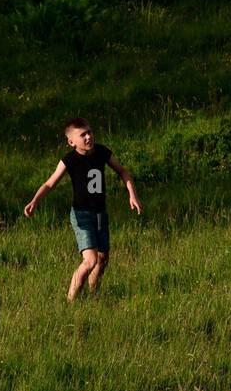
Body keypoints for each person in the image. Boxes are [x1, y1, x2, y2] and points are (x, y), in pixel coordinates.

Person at [23, 118, 142, 302]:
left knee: (102, 259)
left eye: (90, 132)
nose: (88, 136)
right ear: (71, 142)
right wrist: (34, 201)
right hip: (81, 215)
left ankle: (94, 295)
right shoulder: (69, 160)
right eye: (82, 134)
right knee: (90, 261)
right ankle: (70, 302)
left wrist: (132, 195)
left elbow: (123, 171)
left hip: (101, 213)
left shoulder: (102, 152)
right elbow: (50, 183)